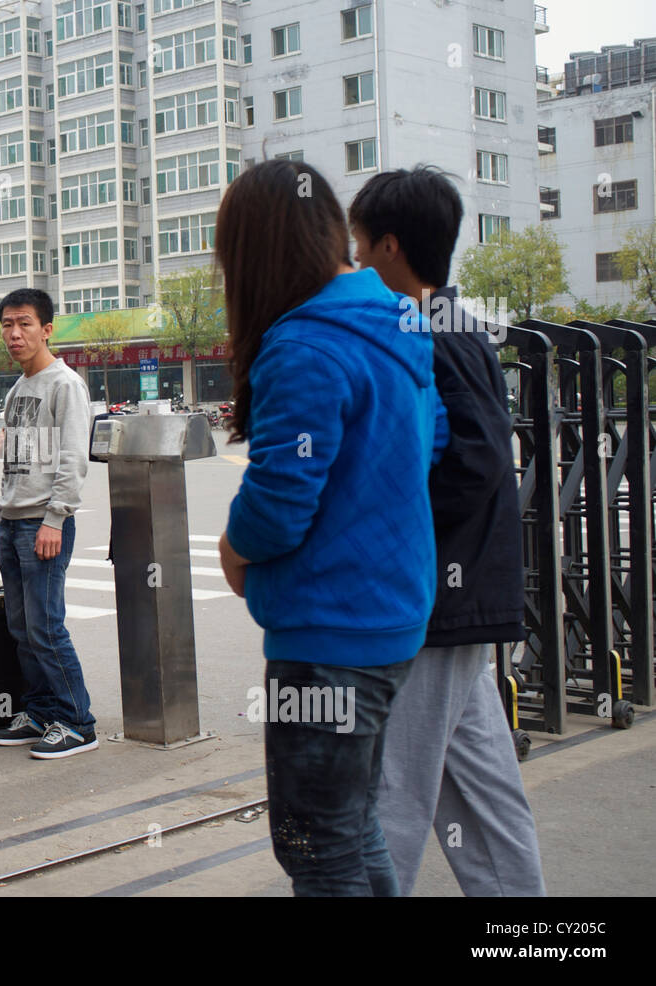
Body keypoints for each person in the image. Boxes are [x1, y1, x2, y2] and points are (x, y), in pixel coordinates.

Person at [213, 160, 448, 896]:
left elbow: (280, 501)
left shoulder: (304, 344)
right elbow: (433, 438)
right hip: (392, 618)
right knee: (352, 830)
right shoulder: (397, 321)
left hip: (327, 635)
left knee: (315, 848)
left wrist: (234, 549)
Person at [348, 166, 545, 896]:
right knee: (481, 792)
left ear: (391, 247)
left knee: (390, 792)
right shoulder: (446, 323)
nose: (356, 260)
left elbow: (479, 457)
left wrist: (393, 531)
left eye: (361, 244)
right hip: (458, 601)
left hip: (433, 601)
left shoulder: (432, 330)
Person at [0, 288, 97, 759]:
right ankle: (40, 711)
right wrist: (1, 519)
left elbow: (73, 459)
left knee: (47, 627)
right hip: (15, 522)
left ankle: (77, 721)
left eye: (25, 323)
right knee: (21, 627)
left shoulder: (64, 384)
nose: (15, 334)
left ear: (47, 329)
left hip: (43, 525)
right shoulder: (17, 388)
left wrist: (55, 519)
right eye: (8, 325)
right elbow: (18, 460)